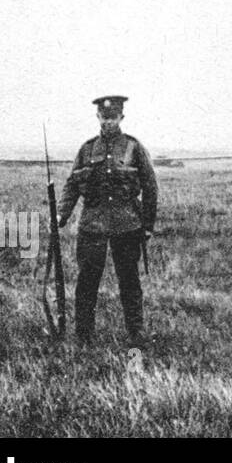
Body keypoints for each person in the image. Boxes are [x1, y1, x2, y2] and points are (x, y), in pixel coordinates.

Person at [57, 95, 158, 347]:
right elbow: (72, 185)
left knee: (129, 281)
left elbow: (150, 186)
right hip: (93, 225)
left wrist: (147, 225)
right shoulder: (87, 149)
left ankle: (136, 333)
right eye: (104, 117)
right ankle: (83, 335)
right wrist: (61, 214)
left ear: (121, 117)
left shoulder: (134, 147)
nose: (108, 122)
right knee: (87, 281)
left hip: (127, 226)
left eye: (113, 117)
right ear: (98, 117)